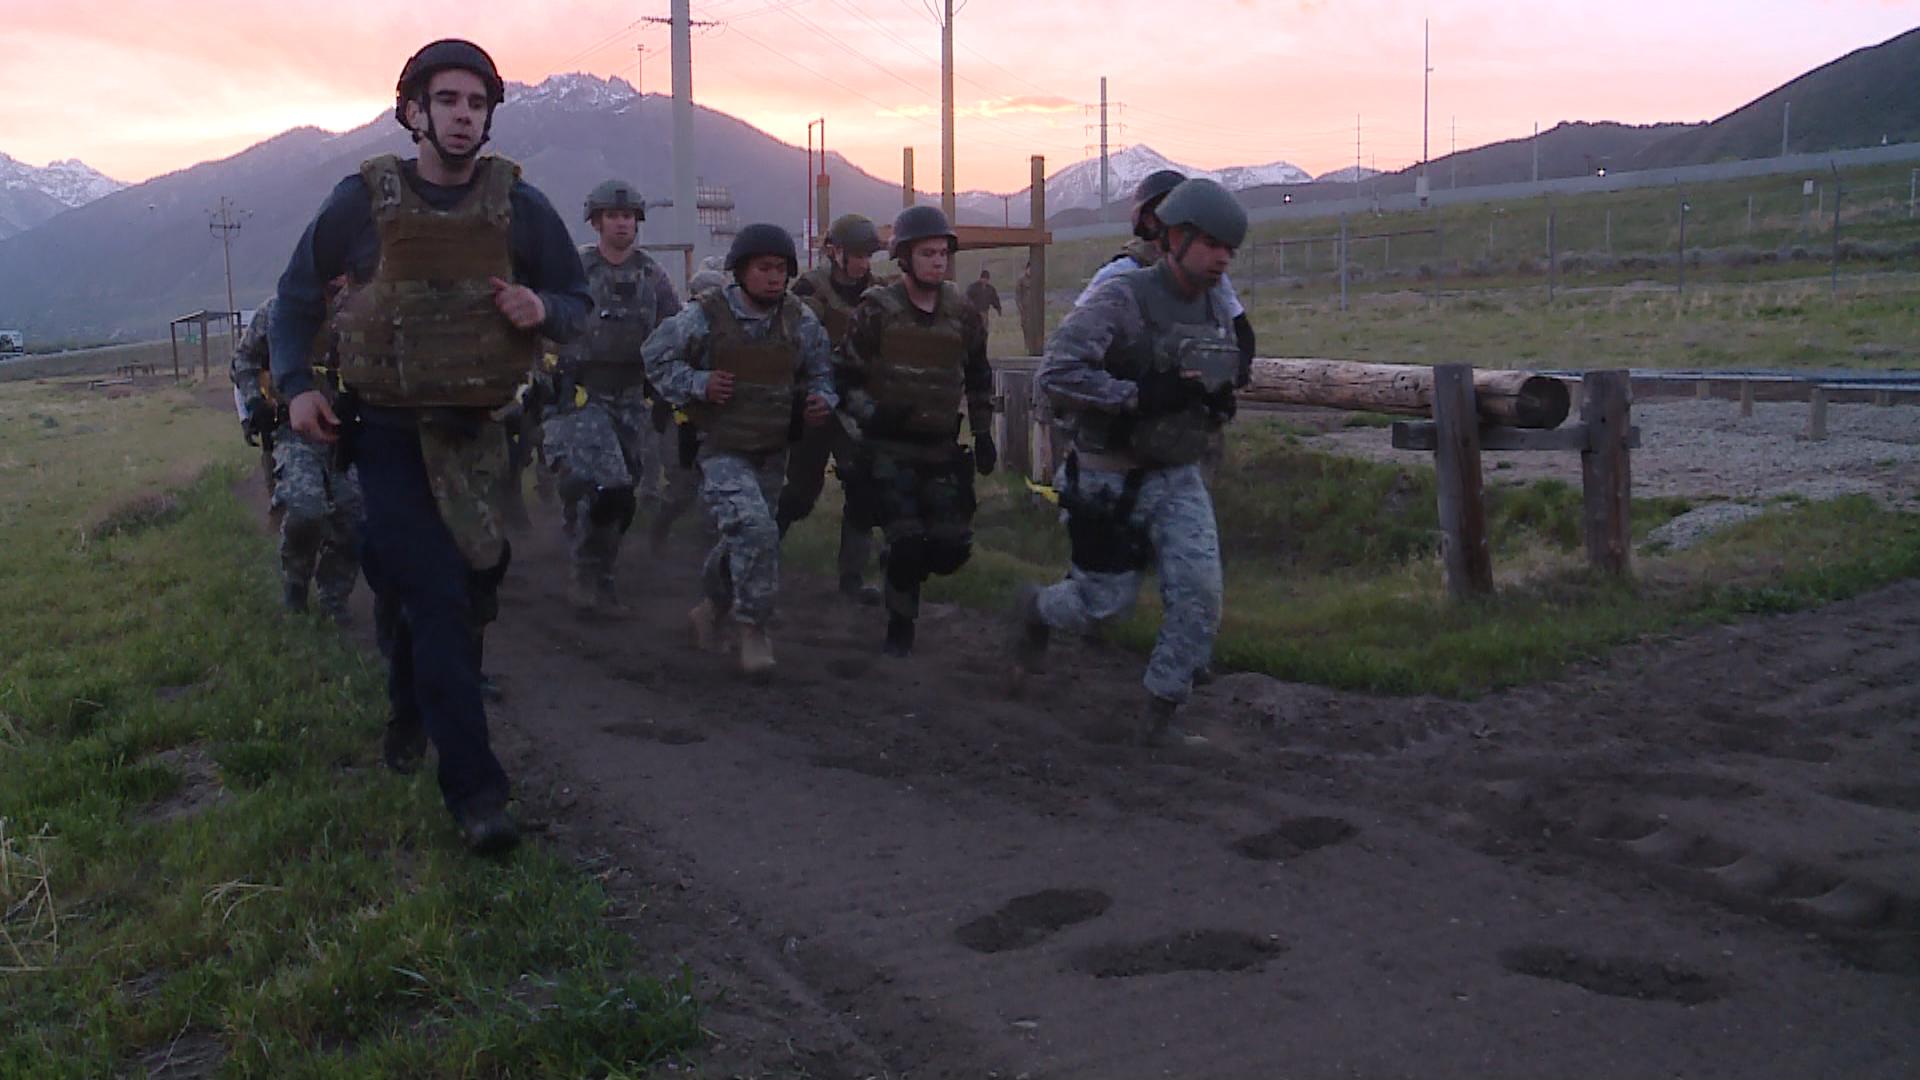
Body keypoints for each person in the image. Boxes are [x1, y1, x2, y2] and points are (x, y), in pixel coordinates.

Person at [272, 38, 591, 854]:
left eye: (476, 103)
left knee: (472, 586)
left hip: (481, 432)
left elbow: (576, 302)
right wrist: (298, 385)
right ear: (413, 109)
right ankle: (477, 794)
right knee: (439, 596)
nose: (462, 115)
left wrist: (539, 308)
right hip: (386, 431)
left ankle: (411, 700)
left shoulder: (520, 206)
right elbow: (296, 297)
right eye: (447, 100)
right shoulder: (362, 200)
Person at [1011, 179, 1246, 747]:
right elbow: (1057, 374)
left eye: (1229, 250)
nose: (1222, 259)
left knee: (1199, 595)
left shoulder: (1216, 304)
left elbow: (1212, 368)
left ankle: (1161, 716)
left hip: (1175, 473)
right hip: (1106, 476)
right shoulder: (1122, 295)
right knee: (1101, 607)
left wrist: (1212, 397)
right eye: (1212, 244)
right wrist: (1138, 395)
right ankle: (1038, 610)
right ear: (1177, 237)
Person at [642, 224, 835, 675]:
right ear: (741, 270)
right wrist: (698, 383)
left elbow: (822, 371)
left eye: (781, 269)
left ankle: (710, 610)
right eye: (764, 268)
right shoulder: (706, 316)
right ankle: (753, 629)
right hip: (721, 449)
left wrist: (822, 399)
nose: (774, 277)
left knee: (746, 541)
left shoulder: (799, 319)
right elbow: (655, 357)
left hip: (771, 449)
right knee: (756, 532)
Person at [838, 206, 996, 656]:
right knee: (906, 539)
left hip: (941, 448)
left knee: (950, 549)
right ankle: (900, 625)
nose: (937, 261)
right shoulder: (877, 310)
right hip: (888, 448)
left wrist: (983, 435)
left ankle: (896, 569)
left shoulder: (963, 313)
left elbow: (980, 376)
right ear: (904, 257)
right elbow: (843, 375)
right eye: (927, 253)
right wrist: (871, 415)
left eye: (943, 253)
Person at [542, 179, 681, 612]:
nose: (621, 224)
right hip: (584, 394)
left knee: (625, 496)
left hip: (630, 395)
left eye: (627, 217)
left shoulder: (652, 276)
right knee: (610, 486)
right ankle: (588, 574)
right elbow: (547, 323)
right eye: (613, 217)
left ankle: (600, 566)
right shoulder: (577, 270)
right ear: (597, 222)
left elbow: (673, 332)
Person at [230, 292, 364, 624]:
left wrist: (359, 399)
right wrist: (254, 404)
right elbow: (244, 361)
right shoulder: (278, 309)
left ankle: (334, 600)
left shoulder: (359, 308)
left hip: (344, 433)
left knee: (352, 517)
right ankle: (297, 580)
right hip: (293, 429)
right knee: (306, 508)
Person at [778, 213, 885, 603]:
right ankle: (761, 550)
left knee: (861, 487)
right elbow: (795, 344)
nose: (863, 263)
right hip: (814, 400)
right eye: (856, 254)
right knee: (802, 493)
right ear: (835, 253)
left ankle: (852, 578)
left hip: (854, 401)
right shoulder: (810, 289)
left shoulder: (879, 292)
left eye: (868, 255)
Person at [1077, 170, 1256, 385]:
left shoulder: (1205, 276)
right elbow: (1071, 353)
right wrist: (1140, 394)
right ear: (1149, 221)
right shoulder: (1120, 276)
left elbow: (1241, 334)